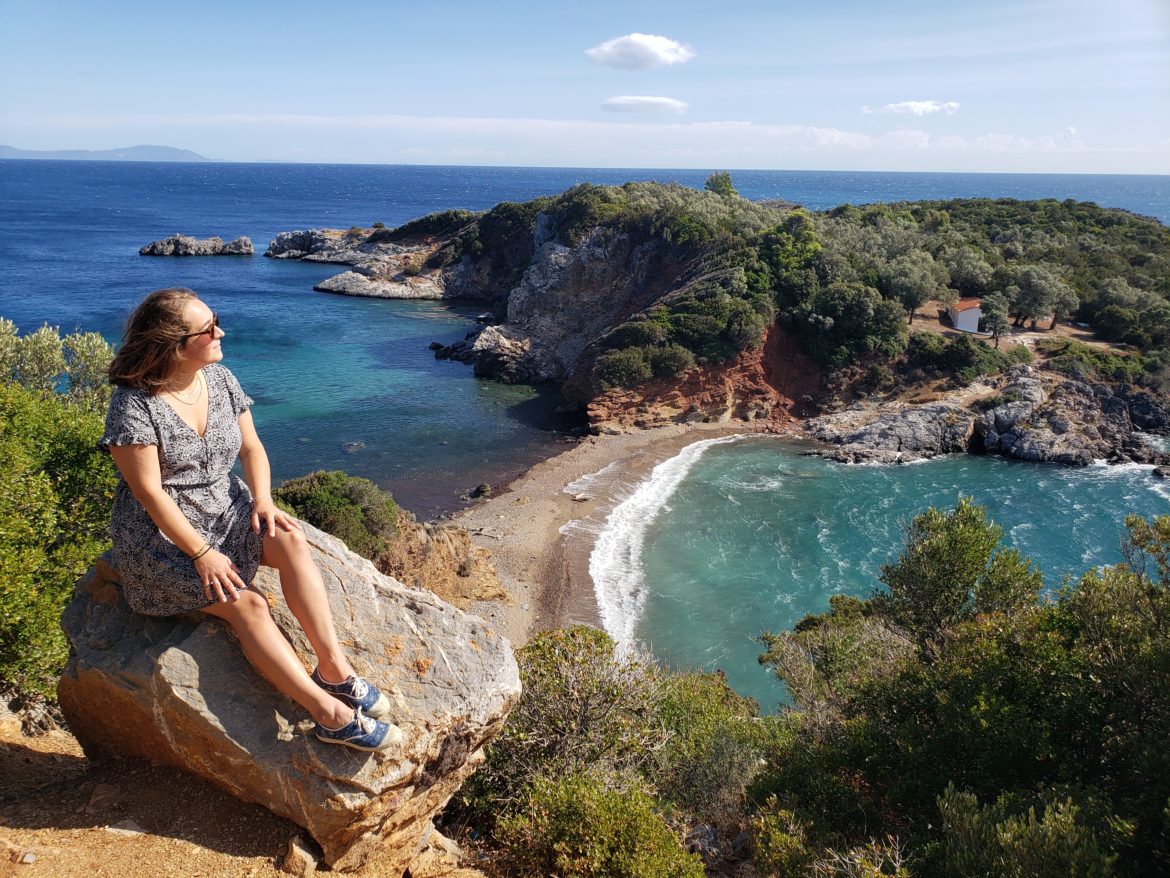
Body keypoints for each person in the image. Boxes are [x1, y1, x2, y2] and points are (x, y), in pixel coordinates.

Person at [100, 287, 400, 752]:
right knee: (249, 604)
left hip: (226, 507)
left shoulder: (219, 379)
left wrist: (263, 500)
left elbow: (252, 448)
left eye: (215, 320)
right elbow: (149, 493)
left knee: (290, 540)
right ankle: (331, 716)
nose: (221, 332)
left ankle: (334, 670)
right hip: (162, 538)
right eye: (208, 329)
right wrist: (202, 554)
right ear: (174, 345)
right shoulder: (132, 405)